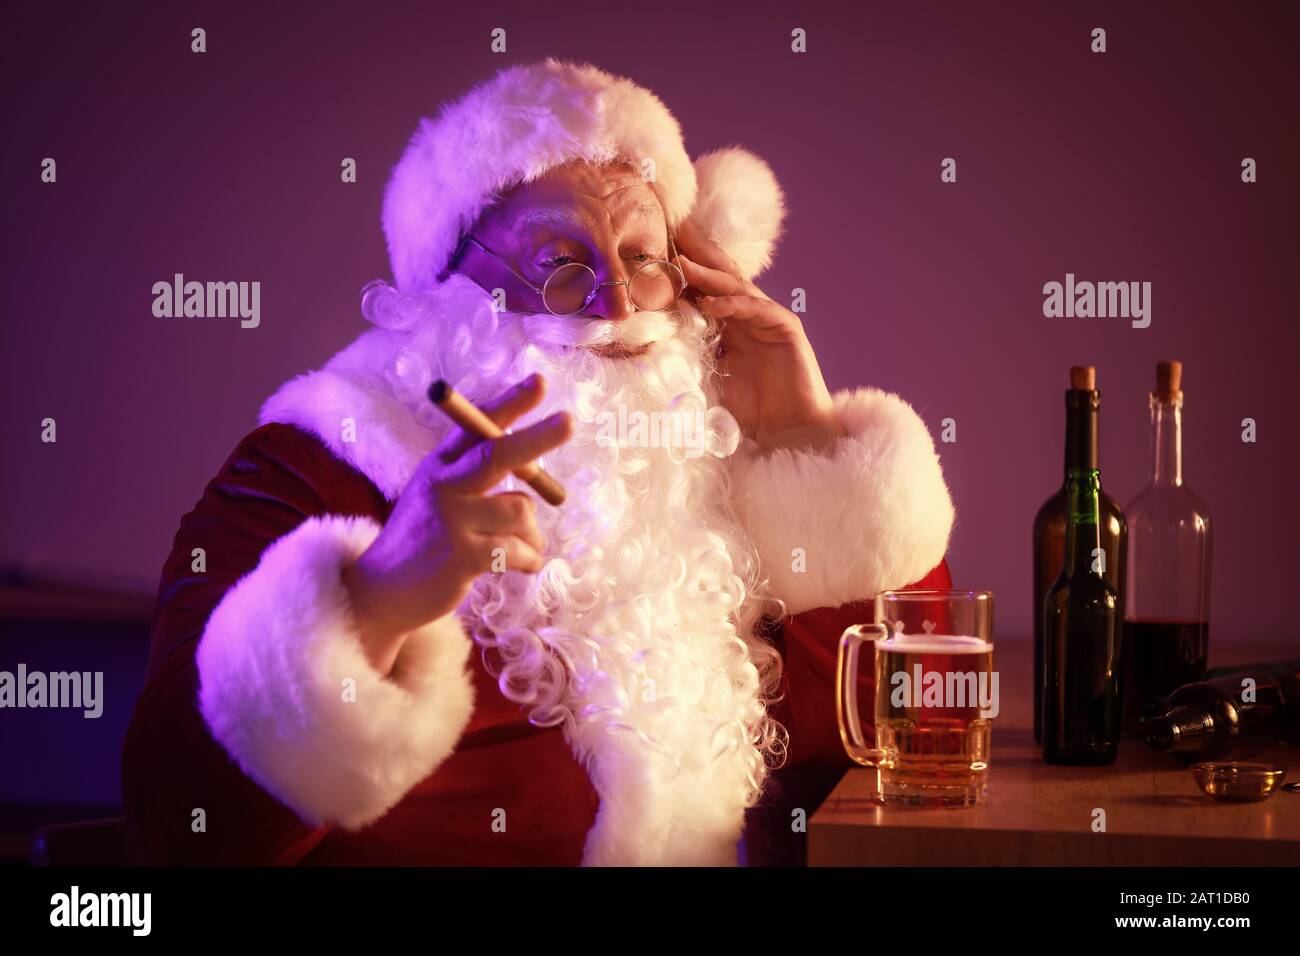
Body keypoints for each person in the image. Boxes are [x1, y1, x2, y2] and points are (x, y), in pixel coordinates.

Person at [122, 59, 955, 865]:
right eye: (560, 262)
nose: (618, 305)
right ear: (449, 300)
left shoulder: (686, 487)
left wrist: (802, 438)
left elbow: (905, 723)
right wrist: (376, 601)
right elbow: (184, 829)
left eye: (642, 258)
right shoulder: (318, 466)